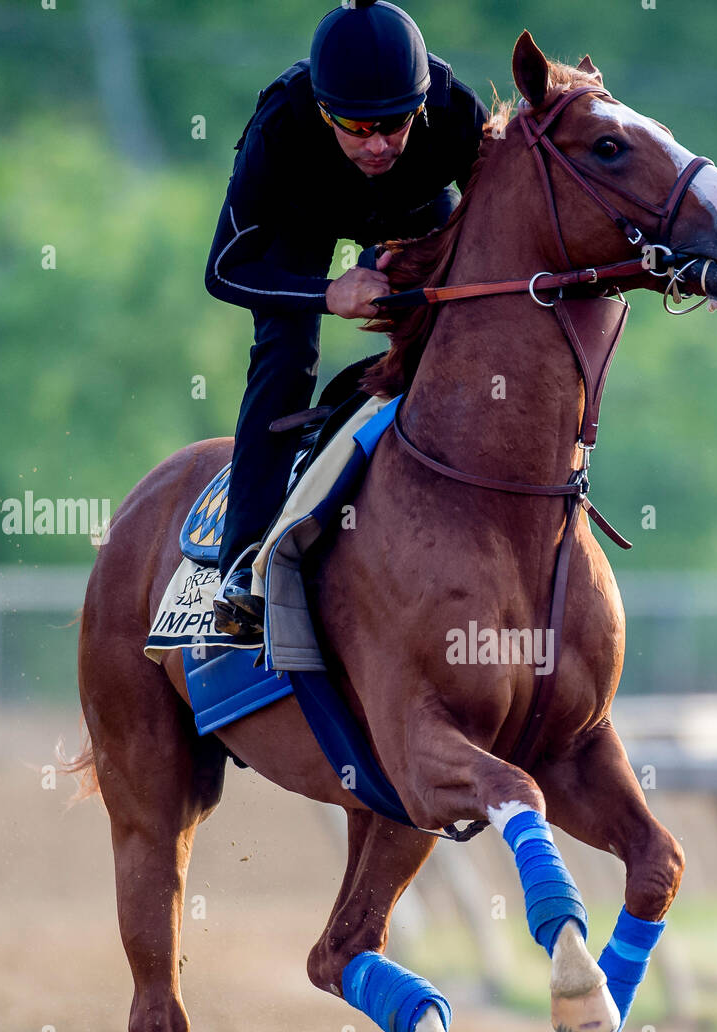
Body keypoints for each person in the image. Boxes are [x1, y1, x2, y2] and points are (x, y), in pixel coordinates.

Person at [205, 0, 487, 636]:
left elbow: (499, 220)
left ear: (423, 104)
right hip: (297, 225)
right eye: (357, 127)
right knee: (284, 357)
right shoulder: (280, 124)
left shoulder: (454, 110)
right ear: (323, 109)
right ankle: (243, 561)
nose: (379, 144)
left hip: (413, 213)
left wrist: (420, 260)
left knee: (459, 326)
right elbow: (222, 271)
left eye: (396, 123)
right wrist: (328, 293)